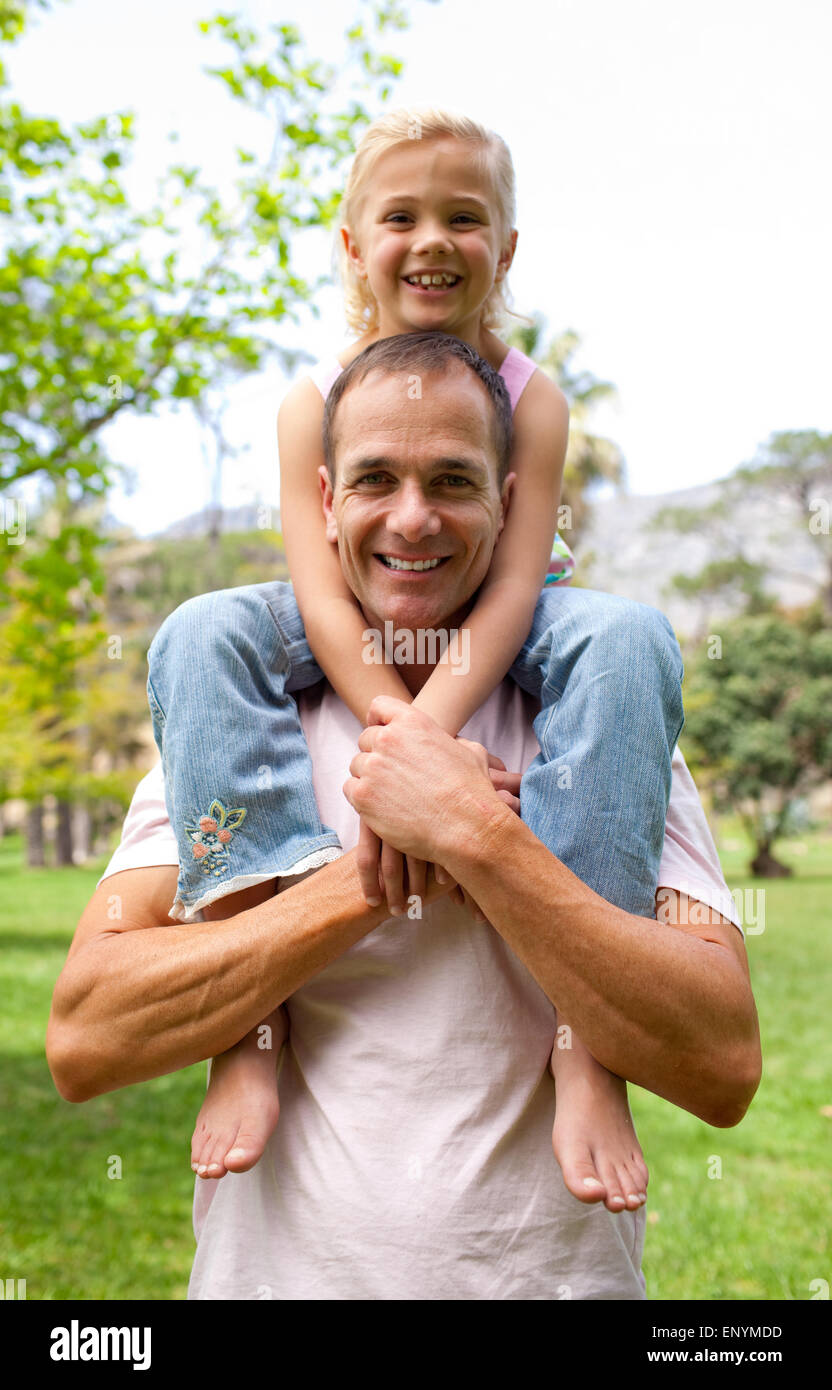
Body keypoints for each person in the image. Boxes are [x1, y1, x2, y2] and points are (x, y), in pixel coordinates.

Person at [47, 335, 761, 1301]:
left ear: (508, 506)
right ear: (327, 501)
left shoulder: (609, 720)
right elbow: (89, 1038)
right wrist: (374, 873)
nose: (414, 517)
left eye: (453, 481)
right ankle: (250, 1042)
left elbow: (721, 1064)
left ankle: (580, 1063)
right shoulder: (238, 721)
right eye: (377, 478)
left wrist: (485, 840)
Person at [146, 109, 686, 1212]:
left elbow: (516, 590)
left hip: (507, 610)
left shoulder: (532, 399)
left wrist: (421, 747)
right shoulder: (312, 400)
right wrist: (399, 743)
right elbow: (317, 601)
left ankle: (585, 1045)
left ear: (508, 247)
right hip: (349, 613)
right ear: (353, 243)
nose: (432, 239)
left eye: (464, 217)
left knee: (628, 637)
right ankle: (249, 1023)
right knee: (201, 630)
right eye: (401, 215)